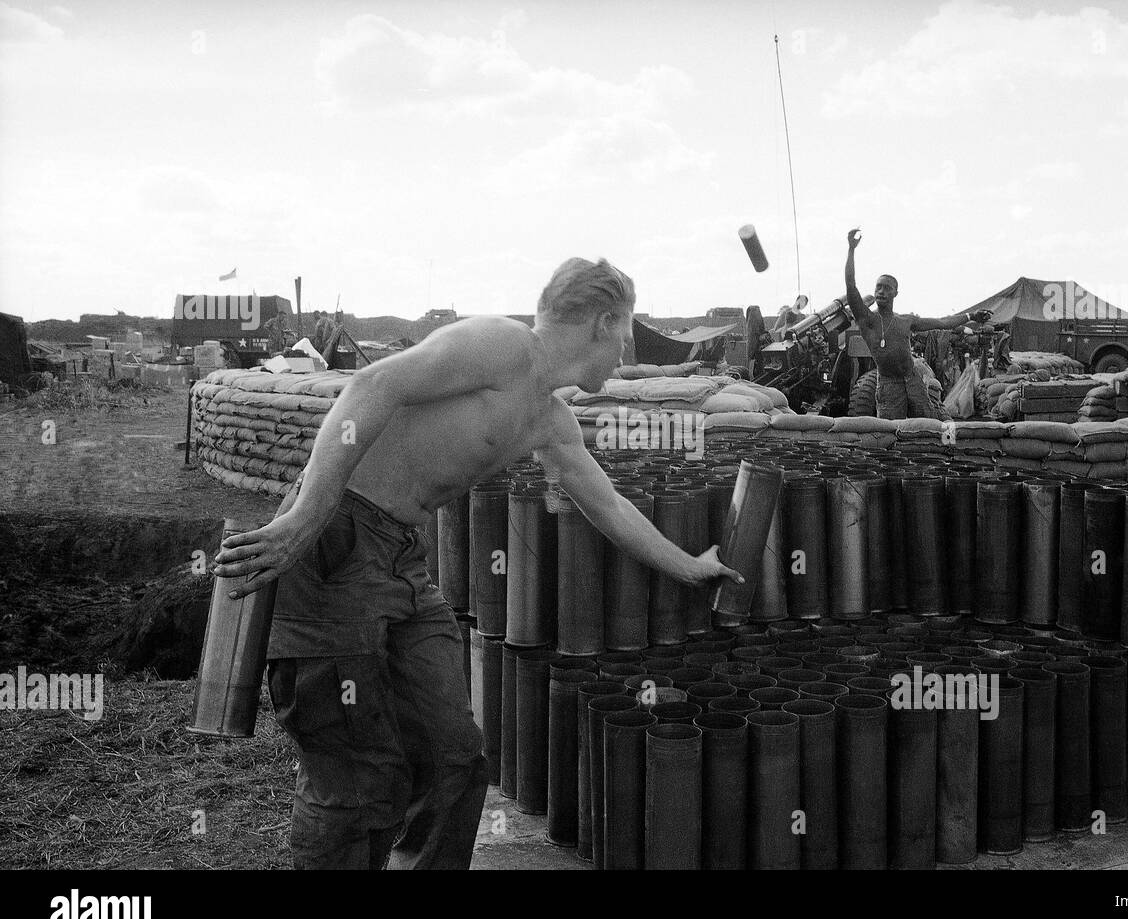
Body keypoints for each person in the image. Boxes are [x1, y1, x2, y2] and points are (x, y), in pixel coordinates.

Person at [212, 257, 741, 870]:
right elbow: (371, 387)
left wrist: (687, 565)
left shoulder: (549, 417)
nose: (624, 355)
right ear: (604, 322)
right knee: (359, 780)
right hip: (334, 539)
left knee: (454, 759)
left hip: (401, 560)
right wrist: (306, 517)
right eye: (625, 338)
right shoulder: (500, 345)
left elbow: (609, 505)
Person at [844, 228, 992, 419]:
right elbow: (850, 285)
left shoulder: (905, 320)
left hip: (912, 378)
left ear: (895, 293)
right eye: (878, 287)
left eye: (886, 288)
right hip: (889, 384)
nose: (880, 292)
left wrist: (971, 316)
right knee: (890, 431)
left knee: (925, 425)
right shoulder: (868, 320)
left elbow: (942, 322)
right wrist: (851, 250)